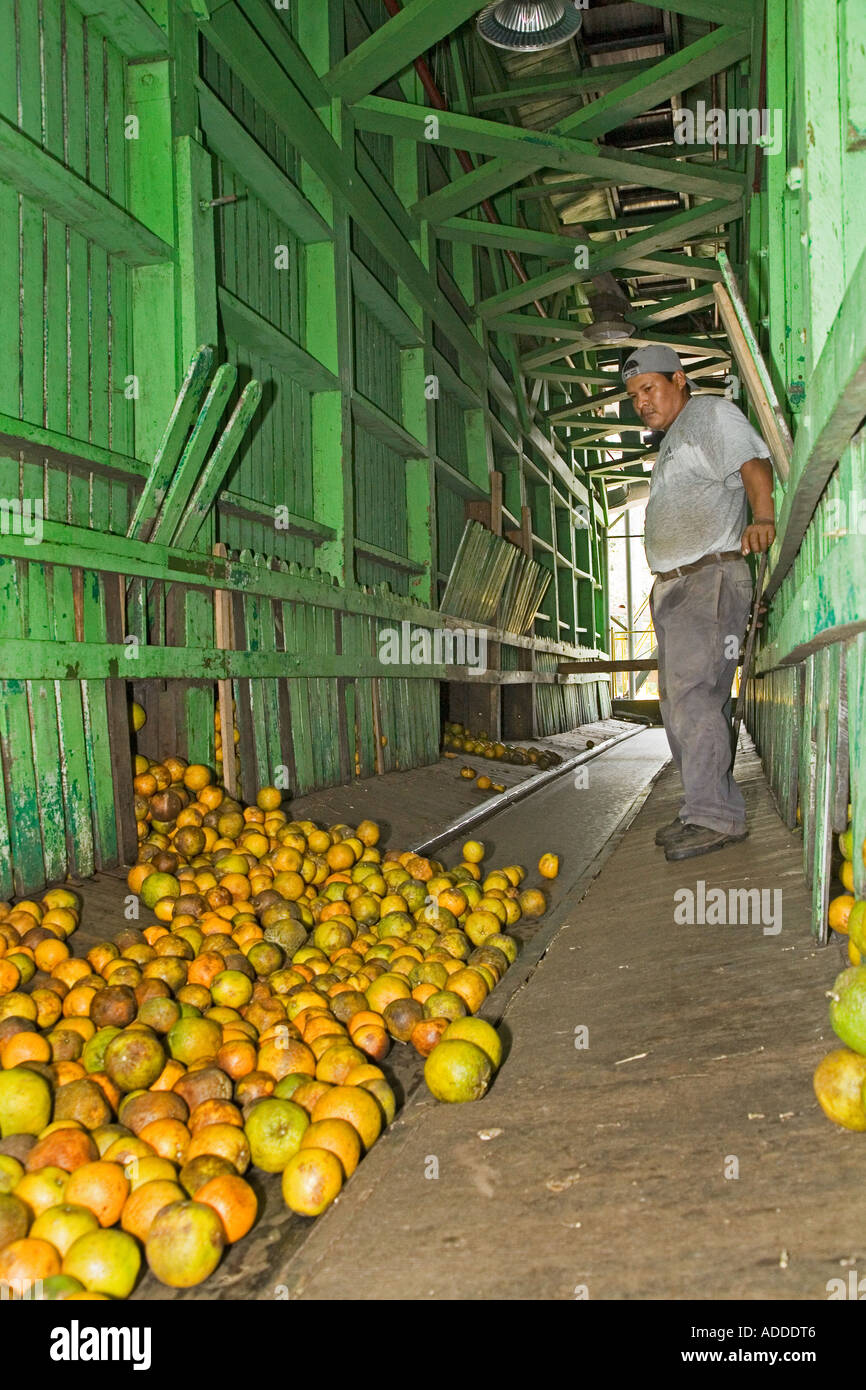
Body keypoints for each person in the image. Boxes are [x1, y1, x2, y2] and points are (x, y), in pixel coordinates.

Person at [622, 345, 776, 862]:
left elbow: (752, 463)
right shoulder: (672, 442)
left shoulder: (709, 414)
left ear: (679, 379)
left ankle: (716, 817)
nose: (641, 402)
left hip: (706, 578)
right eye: (633, 396)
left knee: (695, 697)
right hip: (677, 587)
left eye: (649, 388)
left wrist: (764, 516)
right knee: (678, 704)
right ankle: (700, 807)